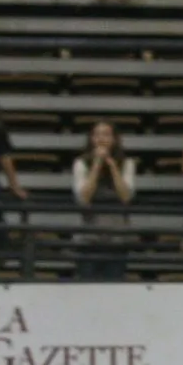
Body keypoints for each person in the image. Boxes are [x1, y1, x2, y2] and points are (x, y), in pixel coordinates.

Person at [73, 119, 136, 278]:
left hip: (117, 236)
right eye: (97, 135)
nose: (101, 139)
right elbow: (84, 197)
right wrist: (96, 164)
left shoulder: (127, 163)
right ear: (91, 139)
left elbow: (126, 196)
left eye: (106, 135)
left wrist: (113, 167)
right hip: (89, 235)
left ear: (114, 139)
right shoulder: (81, 163)